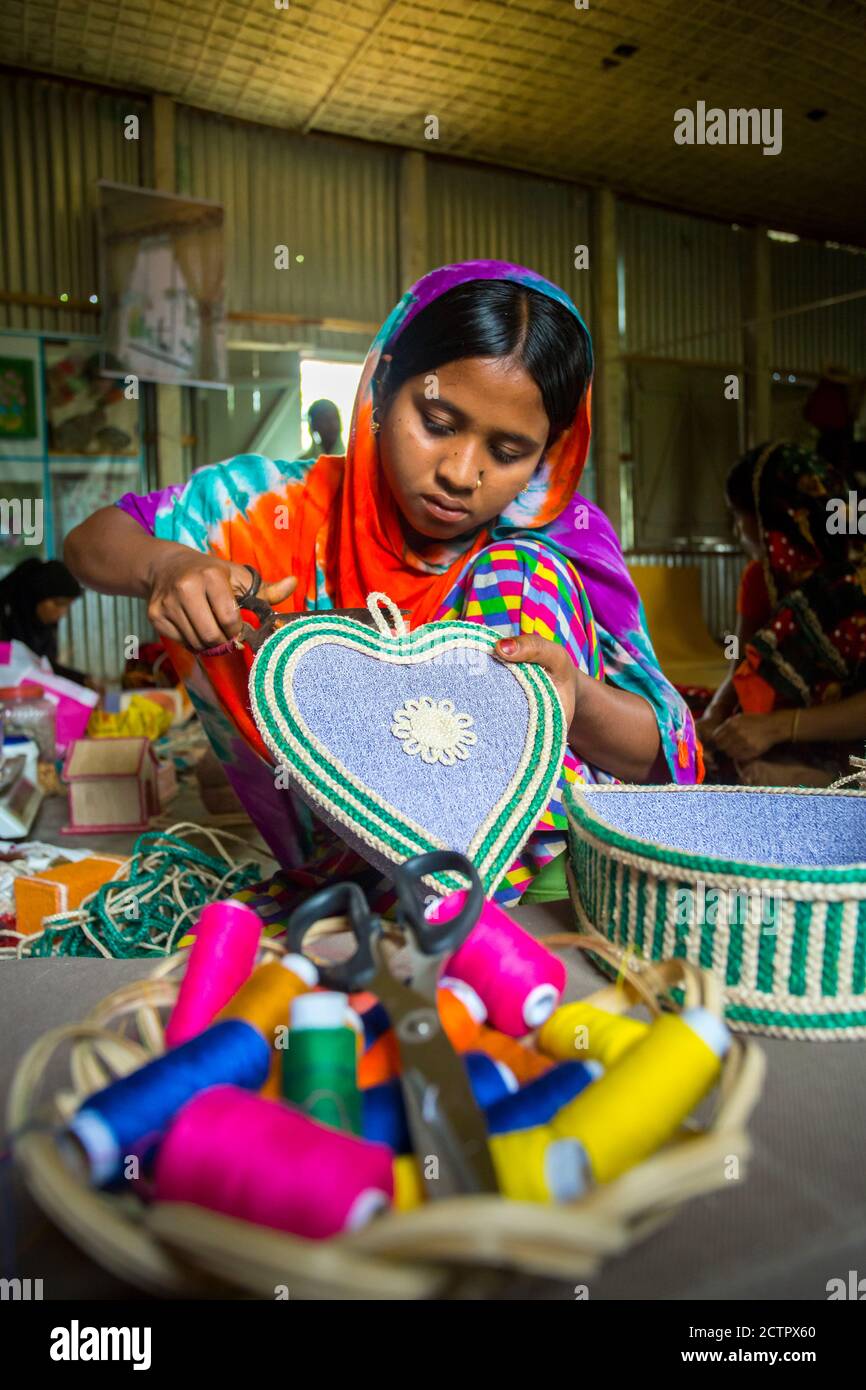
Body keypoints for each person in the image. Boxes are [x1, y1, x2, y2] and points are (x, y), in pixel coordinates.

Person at [64, 261, 700, 905]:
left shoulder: (558, 548)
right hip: (343, 865)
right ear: (384, 382)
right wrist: (165, 565)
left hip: (523, 870)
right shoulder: (270, 509)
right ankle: (413, 903)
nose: (460, 472)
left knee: (519, 569)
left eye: (507, 453)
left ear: (551, 449)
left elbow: (662, 759)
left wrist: (569, 694)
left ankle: (490, 895)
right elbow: (91, 542)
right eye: (438, 423)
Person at [698, 441, 866, 786]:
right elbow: (742, 669)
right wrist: (713, 718)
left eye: (740, 516)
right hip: (796, 738)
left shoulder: (859, 581)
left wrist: (779, 727)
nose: (739, 531)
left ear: (775, 517)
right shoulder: (762, 580)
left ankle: (831, 779)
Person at [0, 558, 88, 685]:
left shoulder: (41, 627)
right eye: (58, 604)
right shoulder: (4, 621)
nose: (63, 613)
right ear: (36, 597)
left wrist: (82, 679)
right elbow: (10, 665)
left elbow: (44, 665)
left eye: (67, 606)